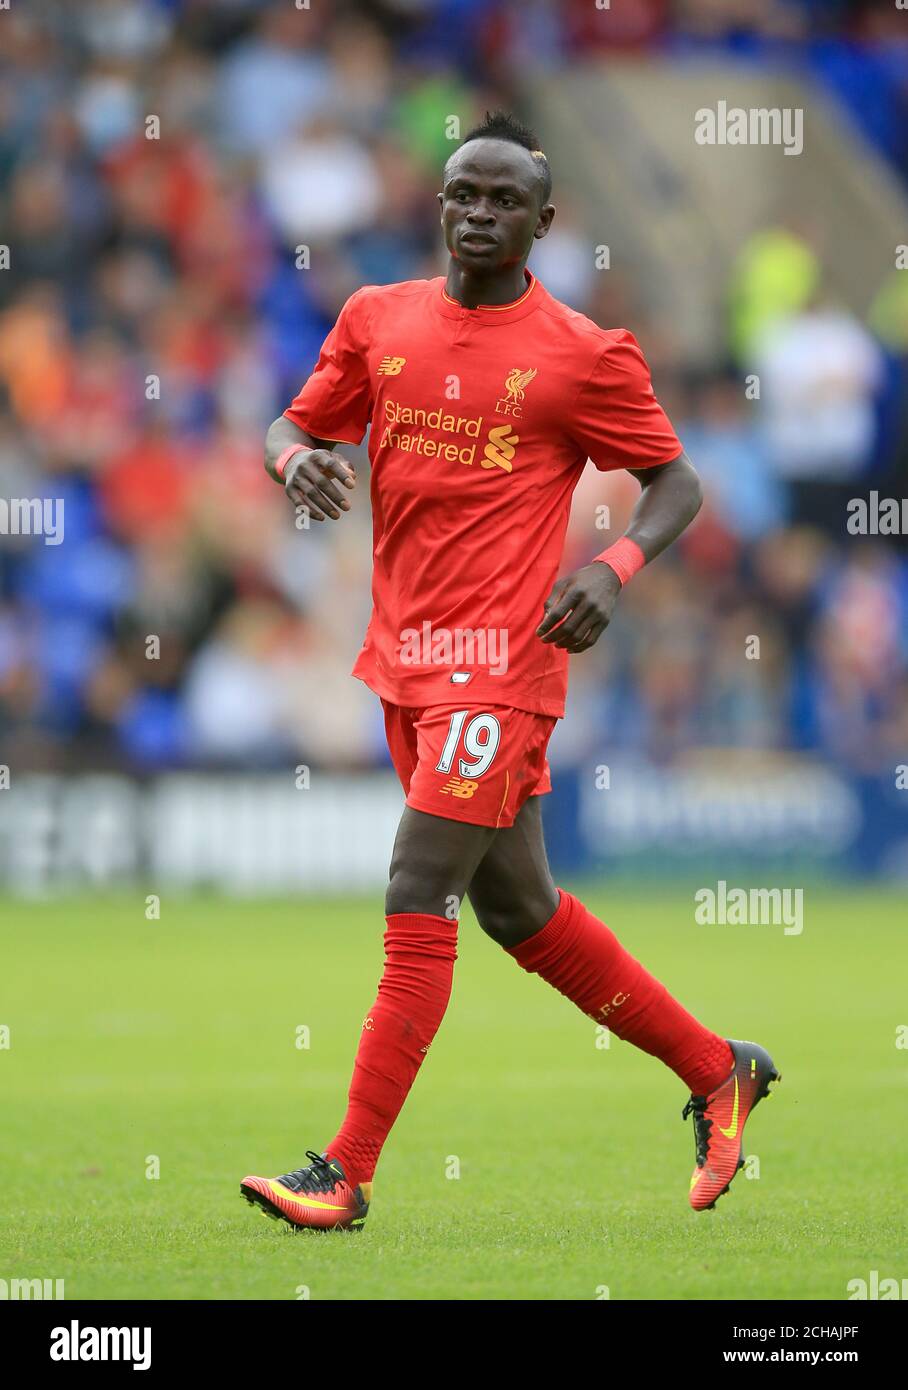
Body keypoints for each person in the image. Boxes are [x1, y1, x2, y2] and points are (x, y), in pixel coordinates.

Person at [241, 112, 780, 1231]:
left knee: (414, 885)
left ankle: (342, 1171)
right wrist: (295, 464)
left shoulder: (583, 353)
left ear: (541, 221)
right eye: (459, 194)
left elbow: (674, 484)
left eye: (500, 201)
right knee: (517, 908)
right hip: (406, 659)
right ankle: (715, 1066)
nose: (476, 214)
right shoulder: (375, 318)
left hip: (504, 666)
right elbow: (286, 426)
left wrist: (616, 564)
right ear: (437, 204)